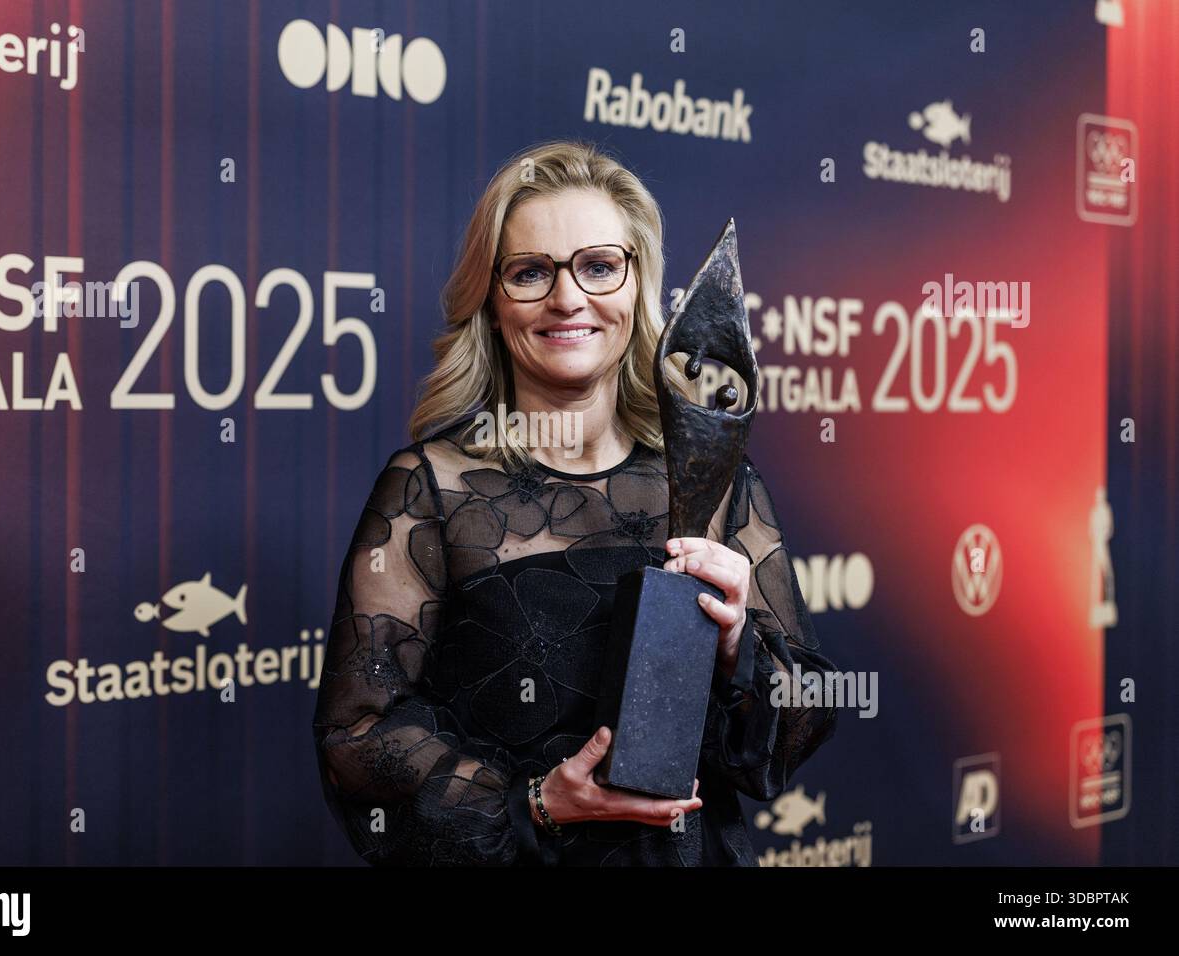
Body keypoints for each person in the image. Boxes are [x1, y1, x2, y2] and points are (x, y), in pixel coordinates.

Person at [312, 139, 840, 865]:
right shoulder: (431, 488)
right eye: (532, 272)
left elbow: (798, 727)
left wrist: (735, 646)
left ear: (636, 290)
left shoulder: (714, 481)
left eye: (599, 266)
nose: (568, 298)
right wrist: (534, 805)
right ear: (493, 303)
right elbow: (359, 736)